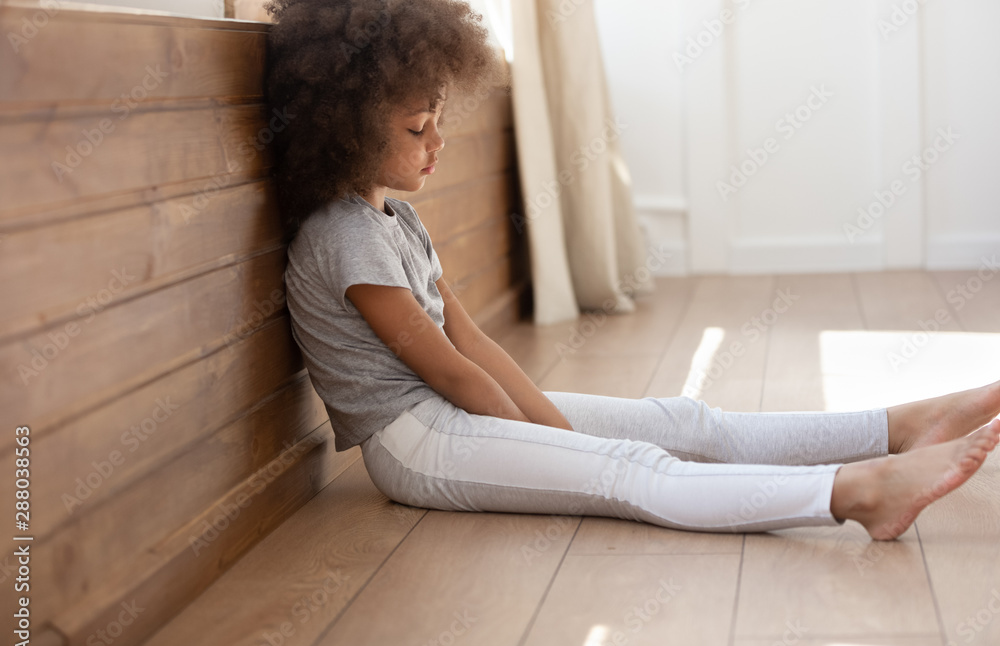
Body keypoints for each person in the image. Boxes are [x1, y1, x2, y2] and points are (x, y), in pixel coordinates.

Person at [265, 0, 1000, 541]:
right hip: (415, 442)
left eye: (439, 120)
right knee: (627, 469)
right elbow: (451, 374)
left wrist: (551, 426)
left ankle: (900, 425)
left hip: (451, 411)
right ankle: (856, 491)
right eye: (417, 130)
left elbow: (474, 346)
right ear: (349, 128)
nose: (439, 143)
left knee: (683, 422)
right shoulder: (343, 238)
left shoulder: (400, 221)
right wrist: (567, 445)